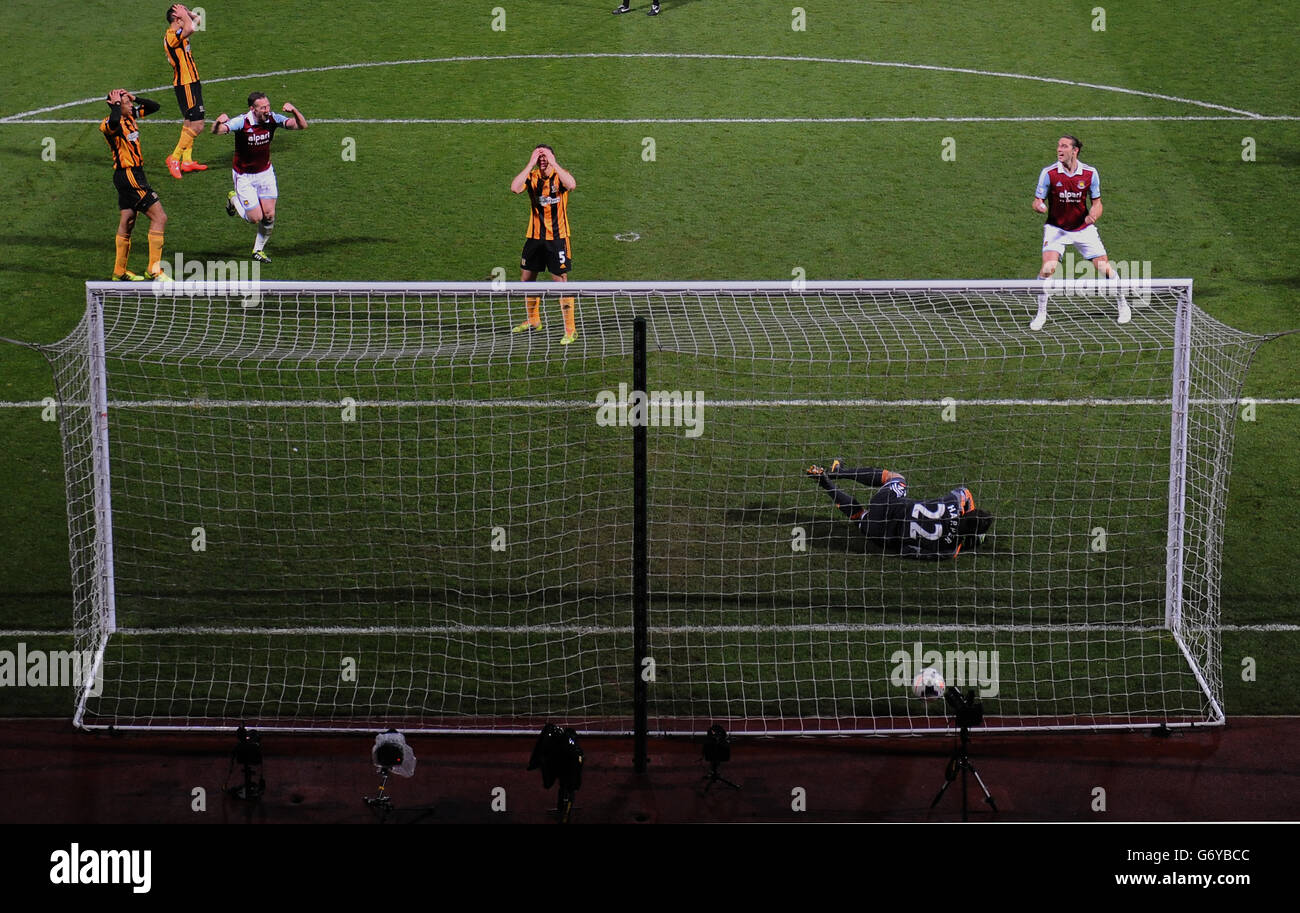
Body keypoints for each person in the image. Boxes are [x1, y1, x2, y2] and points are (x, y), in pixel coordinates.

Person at [1029, 134, 1129, 330]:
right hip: (1056, 228)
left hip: (1083, 229)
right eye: (1058, 146)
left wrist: (1094, 215)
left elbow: (1098, 204)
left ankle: (1123, 303)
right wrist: (1039, 206)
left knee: (1104, 268)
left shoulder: (1090, 173)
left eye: (1064, 146)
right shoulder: (1048, 173)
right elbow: (1036, 200)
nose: (1059, 149)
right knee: (1048, 269)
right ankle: (1041, 313)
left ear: (1075, 151)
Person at [805, 460, 992, 559]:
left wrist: (967, 510)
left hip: (887, 503)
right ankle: (825, 483)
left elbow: (965, 492)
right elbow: (908, 551)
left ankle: (839, 473)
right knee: (860, 516)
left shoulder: (954, 503)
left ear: (967, 513)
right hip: (882, 535)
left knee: (897, 478)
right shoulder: (950, 551)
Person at [211, 92, 308, 264]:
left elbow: (302, 125)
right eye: (263, 108)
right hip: (244, 177)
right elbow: (217, 131)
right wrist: (218, 121)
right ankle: (233, 199)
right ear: (252, 109)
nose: (267, 110)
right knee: (255, 218)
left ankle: (258, 250)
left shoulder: (273, 119)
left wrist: (294, 111)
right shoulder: (242, 122)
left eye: (268, 106)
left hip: (265, 173)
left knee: (269, 215)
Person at [510, 144, 578, 344]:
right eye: (539, 157)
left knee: (560, 283)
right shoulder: (531, 177)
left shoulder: (560, 175)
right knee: (527, 279)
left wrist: (553, 161)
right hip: (535, 237)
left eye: (545, 156)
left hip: (557, 238)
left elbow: (572, 185)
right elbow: (515, 188)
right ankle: (533, 320)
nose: (542, 160)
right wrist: (530, 162)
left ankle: (570, 329)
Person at [100, 89, 170, 281]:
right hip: (129, 175)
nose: (131, 105)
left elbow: (155, 107)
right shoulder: (108, 124)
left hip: (134, 174)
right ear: (115, 105)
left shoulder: (130, 115)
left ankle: (119, 271)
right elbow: (114, 122)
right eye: (126, 102)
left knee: (128, 221)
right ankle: (154, 270)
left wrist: (134, 98)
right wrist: (115, 105)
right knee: (159, 217)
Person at [163, 5, 207, 178]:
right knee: (198, 125)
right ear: (175, 18)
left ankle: (187, 161)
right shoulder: (172, 36)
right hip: (186, 83)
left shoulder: (180, 32)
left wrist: (187, 13)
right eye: (180, 14)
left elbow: (197, 21)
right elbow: (191, 26)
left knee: (189, 121)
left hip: (191, 82)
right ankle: (174, 158)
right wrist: (184, 16)